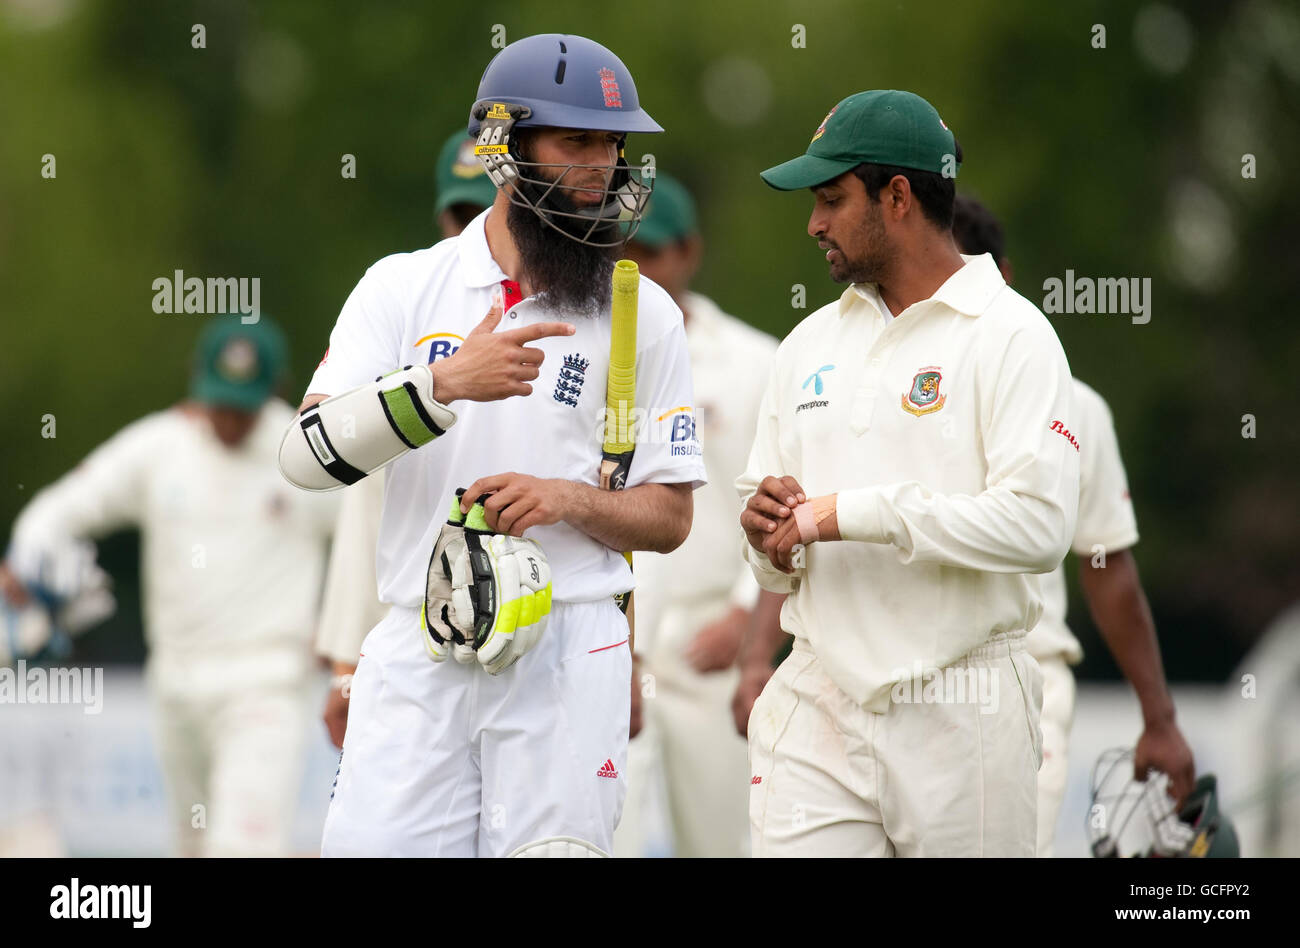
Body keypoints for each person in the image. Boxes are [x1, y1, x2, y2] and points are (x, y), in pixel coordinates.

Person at [281, 33, 704, 858]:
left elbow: (671, 516)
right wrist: (436, 387)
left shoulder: (645, 311)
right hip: (419, 641)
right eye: (577, 140)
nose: (604, 166)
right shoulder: (402, 286)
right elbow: (304, 458)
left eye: (614, 144)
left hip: (571, 643)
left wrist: (568, 499)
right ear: (502, 147)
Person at [738, 90, 1080, 857]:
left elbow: (1040, 527)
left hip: (967, 707)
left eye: (831, 199)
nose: (814, 224)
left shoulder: (1014, 335)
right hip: (817, 701)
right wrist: (766, 538)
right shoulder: (807, 344)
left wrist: (853, 513)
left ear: (897, 197)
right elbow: (769, 558)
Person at [2, 318, 338, 856]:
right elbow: (62, 509)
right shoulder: (163, 446)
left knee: (242, 848)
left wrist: (343, 629)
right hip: (176, 681)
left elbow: (369, 540)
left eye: (242, 406)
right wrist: (28, 564)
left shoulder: (302, 452)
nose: (228, 419)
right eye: (219, 402)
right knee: (196, 844)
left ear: (273, 391)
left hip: (267, 683)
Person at [951, 194, 1195, 856]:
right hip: (888, 686)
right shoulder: (869, 381)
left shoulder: (1074, 402)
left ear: (1003, 279)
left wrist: (1161, 720)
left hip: (1024, 680)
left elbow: (1106, 565)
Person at [612, 172, 783, 858]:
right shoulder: (584, 352)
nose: (638, 272)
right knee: (601, 837)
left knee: (717, 845)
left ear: (689, 252)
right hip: (610, 638)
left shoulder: (756, 361)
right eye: (622, 253)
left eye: (651, 253)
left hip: (713, 643)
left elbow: (781, 502)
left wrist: (746, 617)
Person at [317, 129, 498, 750]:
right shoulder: (401, 297)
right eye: (462, 213)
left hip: (542, 643)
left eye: (489, 208)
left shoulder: (579, 305)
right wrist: (346, 659)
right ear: (443, 215)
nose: (474, 227)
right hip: (415, 643)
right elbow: (360, 495)